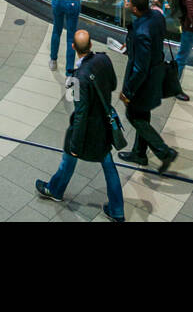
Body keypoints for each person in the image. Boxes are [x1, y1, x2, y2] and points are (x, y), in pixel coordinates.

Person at [37, 28, 126, 222]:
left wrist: (76, 144)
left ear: (73, 47)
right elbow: (112, 84)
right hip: (104, 123)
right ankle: (117, 210)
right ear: (91, 45)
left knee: (69, 155)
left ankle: (55, 189)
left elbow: (81, 113)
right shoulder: (104, 59)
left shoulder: (77, 79)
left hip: (87, 129)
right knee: (109, 166)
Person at [119, 0, 178, 173]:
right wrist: (131, 43)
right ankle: (139, 153)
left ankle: (163, 151)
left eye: (129, 2)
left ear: (135, 9)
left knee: (133, 115)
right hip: (157, 70)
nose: (126, 3)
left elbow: (140, 68)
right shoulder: (157, 16)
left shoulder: (141, 32)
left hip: (145, 79)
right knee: (142, 113)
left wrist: (128, 91)